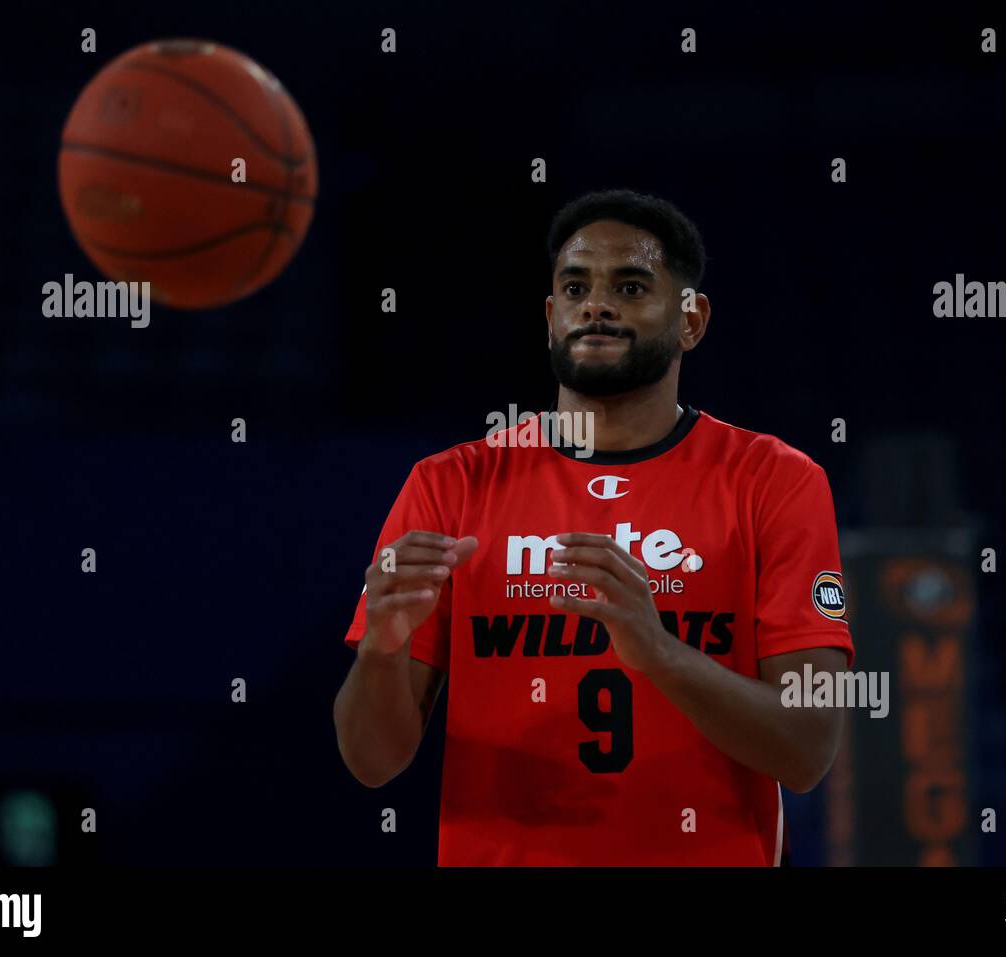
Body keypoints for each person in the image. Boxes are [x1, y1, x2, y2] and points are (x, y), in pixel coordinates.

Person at [334, 189, 854, 865]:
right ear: (551, 317)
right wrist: (379, 650)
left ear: (691, 320)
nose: (596, 305)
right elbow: (372, 762)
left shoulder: (775, 480)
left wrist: (659, 651)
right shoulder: (450, 483)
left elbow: (809, 747)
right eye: (575, 286)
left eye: (630, 285)